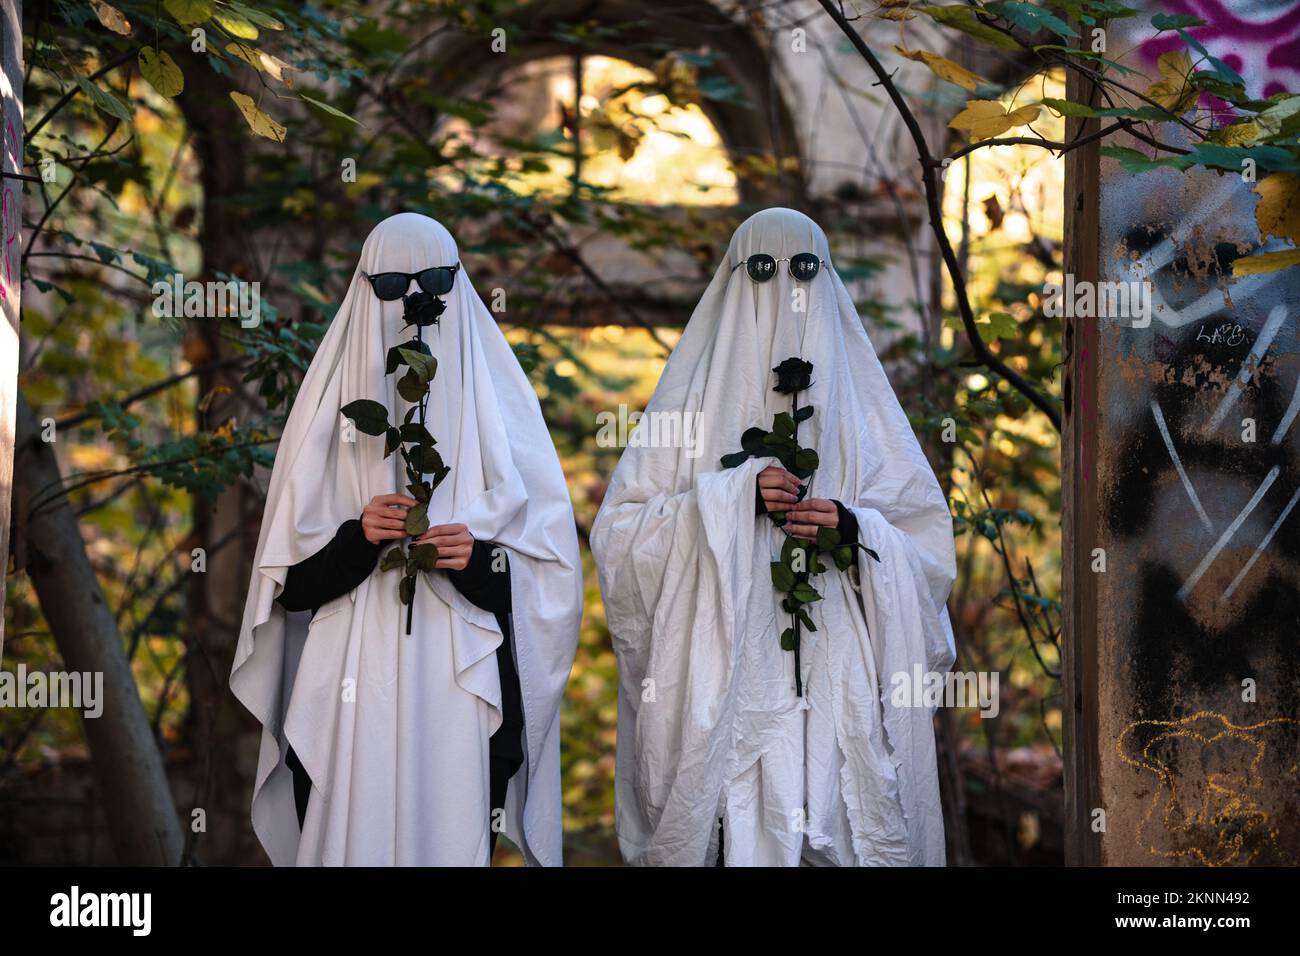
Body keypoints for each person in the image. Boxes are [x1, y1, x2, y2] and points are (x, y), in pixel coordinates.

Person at [590, 207, 957, 866]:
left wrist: (853, 527)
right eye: (763, 271)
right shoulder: (688, 408)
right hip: (725, 697)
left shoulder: (866, 410)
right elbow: (618, 539)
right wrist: (729, 501)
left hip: (840, 706)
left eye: (804, 271)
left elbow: (926, 553)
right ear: (736, 276)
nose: (785, 294)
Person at [231, 213, 582, 866]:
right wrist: (357, 540)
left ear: (461, 284)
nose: (416, 303)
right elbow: (287, 586)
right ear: (366, 287)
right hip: (346, 680)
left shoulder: (504, 412)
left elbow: (549, 579)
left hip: (458, 679)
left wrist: (477, 560)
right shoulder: (323, 413)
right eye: (393, 284)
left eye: (437, 283)